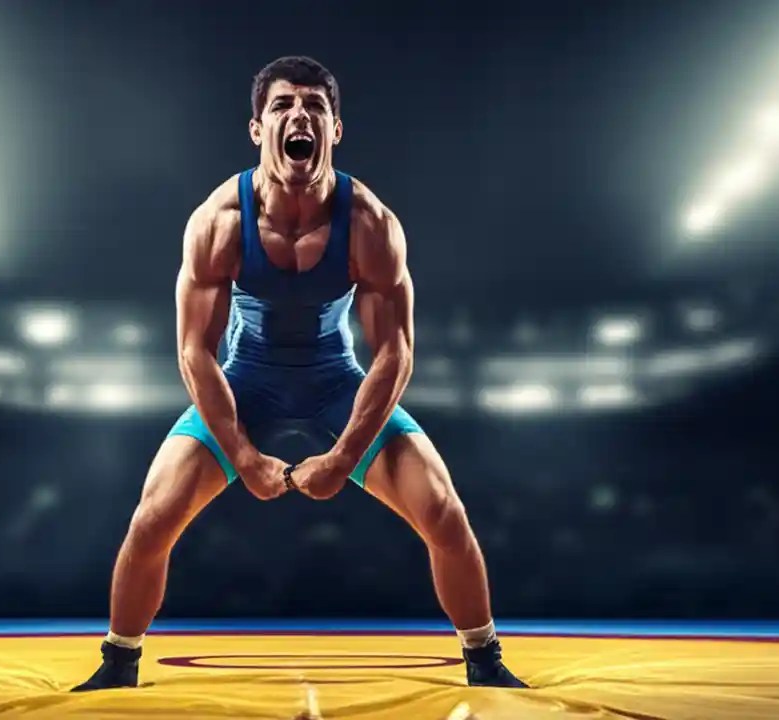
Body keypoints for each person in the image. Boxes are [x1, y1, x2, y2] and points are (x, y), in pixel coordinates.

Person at [72, 55, 526, 691]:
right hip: (245, 383)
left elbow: (394, 352)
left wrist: (343, 458)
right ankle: (118, 663)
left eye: (313, 106)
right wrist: (244, 456)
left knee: (444, 512)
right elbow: (193, 353)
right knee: (152, 518)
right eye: (282, 105)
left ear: (334, 129)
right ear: (257, 128)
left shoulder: (370, 224)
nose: (298, 116)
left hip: (336, 384)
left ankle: (484, 660)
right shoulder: (218, 222)